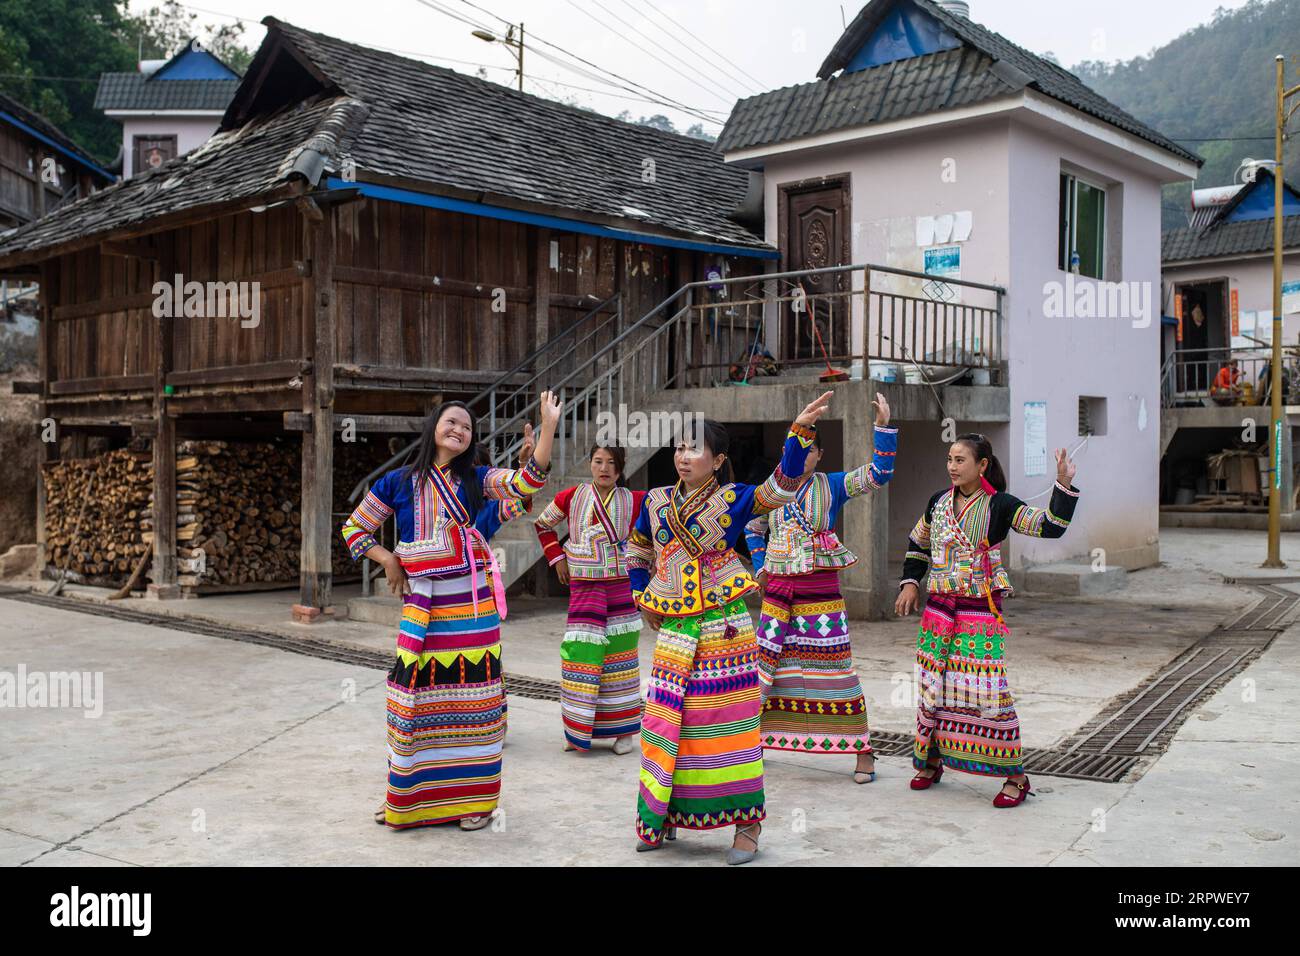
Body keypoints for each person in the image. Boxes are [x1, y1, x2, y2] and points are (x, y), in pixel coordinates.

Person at [625, 392, 834, 865]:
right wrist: (642, 594)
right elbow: (637, 550)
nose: (683, 455)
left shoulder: (737, 499)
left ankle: (747, 825)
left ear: (718, 460)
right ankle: (662, 815)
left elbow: (780, 486)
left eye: (694, 448)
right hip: (675, 627)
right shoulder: (655, 502)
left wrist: (797, 435)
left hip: (725, 628)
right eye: (679, 447)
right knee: (666, 724)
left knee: (726, 724)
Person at [341, 392, 562, 831]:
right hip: (421, 603)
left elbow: (528, 484)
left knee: (471, 699)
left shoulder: (477, 479)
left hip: (469, 603)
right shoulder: (398, 482)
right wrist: (388, 559)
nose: (459, 429)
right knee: (413, 700)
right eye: (452, 422)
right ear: (434, 428)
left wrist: (549, 426)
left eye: (467, 426)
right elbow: (353, 528)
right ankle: (408, 797)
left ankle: (475, 802)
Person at [895, 434, 1079, 808]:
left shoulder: (1001, 505)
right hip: (938, 611)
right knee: (935, 684)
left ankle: (1016, 775)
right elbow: (919, 544)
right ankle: (931, 760)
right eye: (949, 458)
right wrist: (911, 583)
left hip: (979, 612)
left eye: (960, 460)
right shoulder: (937, 502)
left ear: (982, 466)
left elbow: (1050, 526)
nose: (952, 466)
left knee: (986, 691)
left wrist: (1063, 485)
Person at [744, 393, 897, 783]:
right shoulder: (771, 488)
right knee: (767, 668)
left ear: (819, 454)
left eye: (808, 448)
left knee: (834, 668)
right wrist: (760, 567)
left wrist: (883, 428)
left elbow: (879, 474)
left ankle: (862, 751)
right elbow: (753, 527)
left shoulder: (833, 484)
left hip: (820, 592)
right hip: (777, 590)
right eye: (793, 447)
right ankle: (756, 741)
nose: (799, 454)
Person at [533, 445, 647, 754]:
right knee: (581, 655)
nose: (604, 468)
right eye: (598, 461)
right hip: (584, 587)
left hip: (621, 588)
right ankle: (576, 730)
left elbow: (652, 532)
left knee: (620, 660)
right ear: (590, 464)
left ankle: (623, 733)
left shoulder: (635, 501)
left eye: (612, 462)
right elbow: (542, 525)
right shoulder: (570, 497)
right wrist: (557, 558)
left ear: (621, 468)